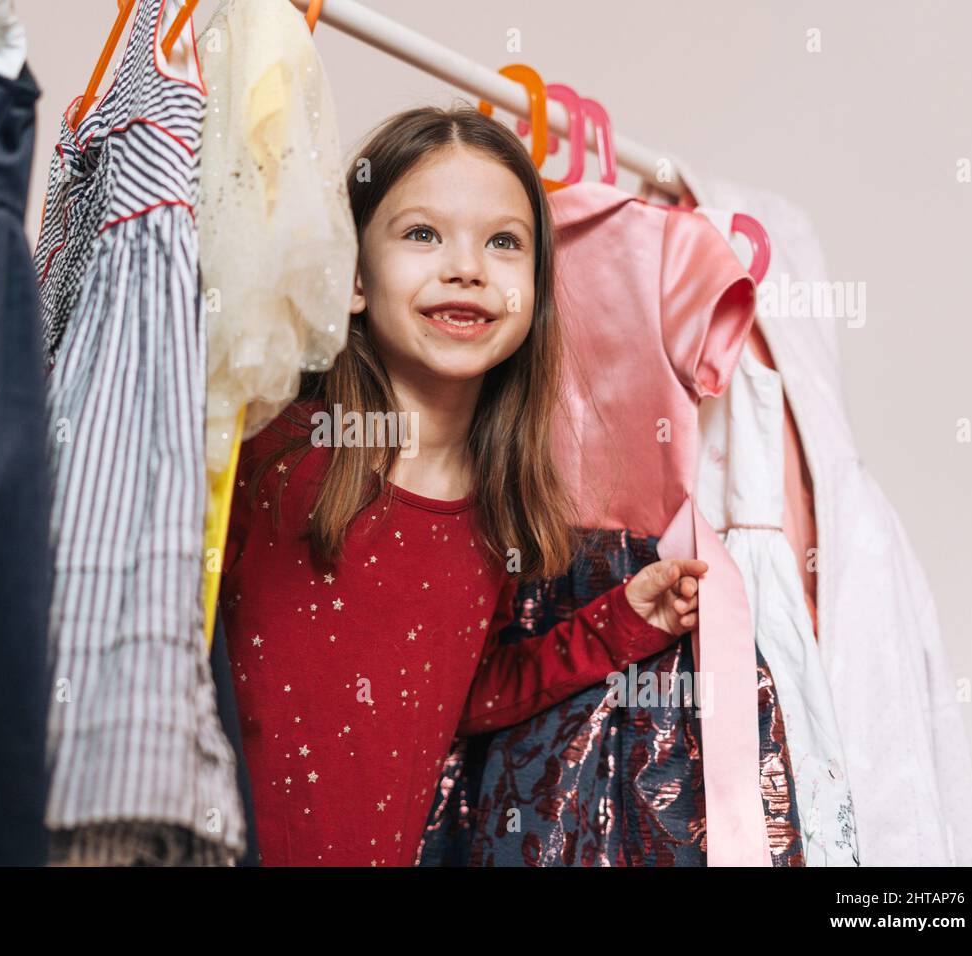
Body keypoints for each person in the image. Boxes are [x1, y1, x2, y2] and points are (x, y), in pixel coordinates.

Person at [220, 106, 707, 866]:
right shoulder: (270, 454)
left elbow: (460, 698)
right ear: (351, 276)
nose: (467, 268)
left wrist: (618, 625)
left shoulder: (500, 512)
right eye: (422, 235)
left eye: (504, 243)